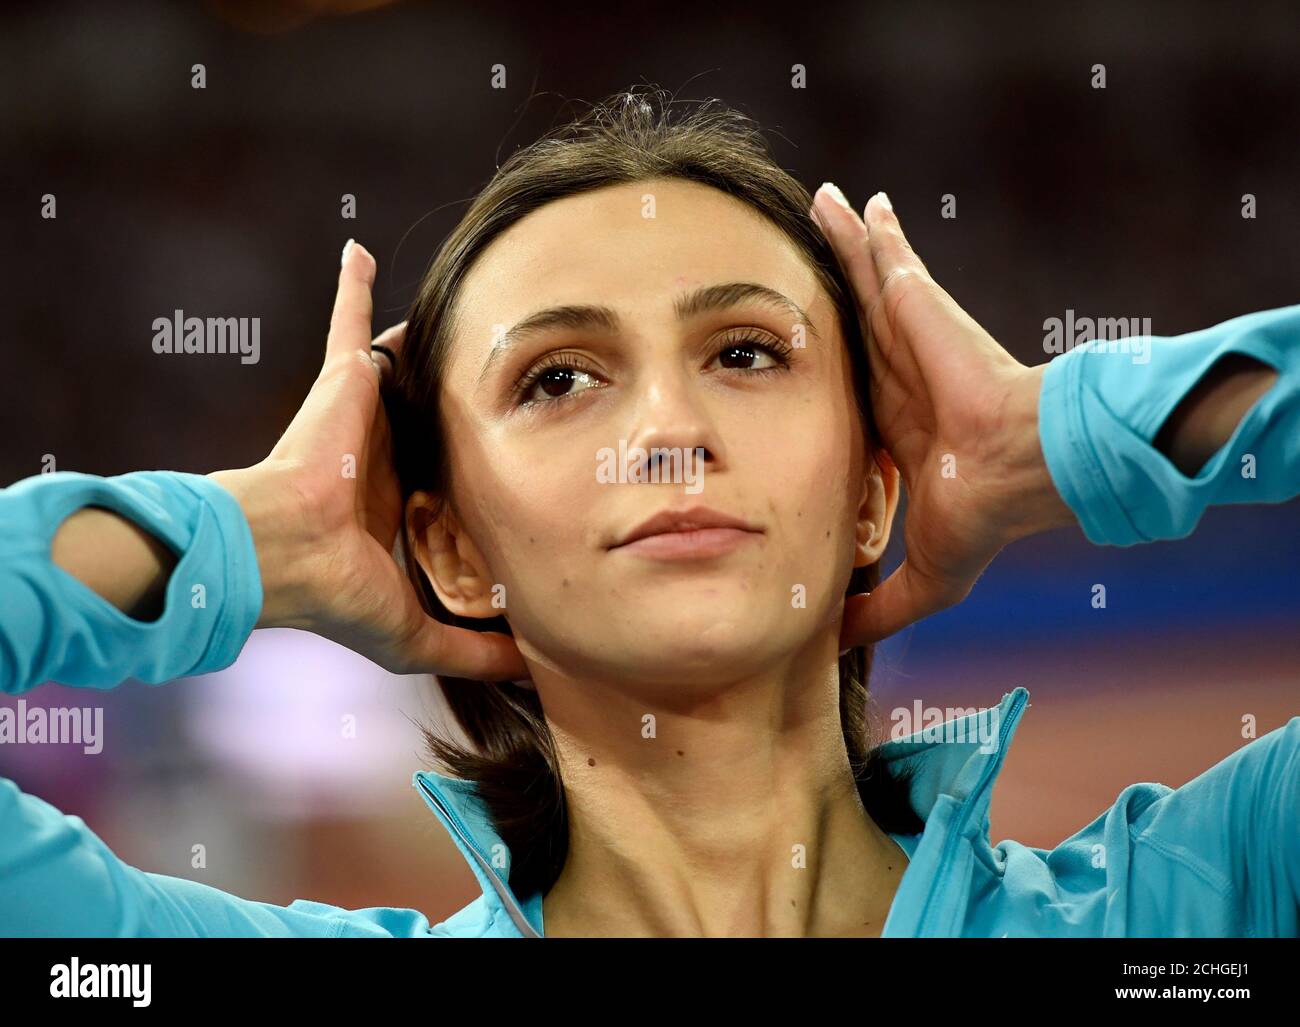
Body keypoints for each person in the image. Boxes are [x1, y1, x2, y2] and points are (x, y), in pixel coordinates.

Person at [1, 90, 1296, 937]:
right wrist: (251, 538)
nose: (668, 436)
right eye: (558, 379)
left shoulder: (1202, 905)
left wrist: (1064, 442)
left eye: (745, 353)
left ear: (871, 491)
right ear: (453, 547)